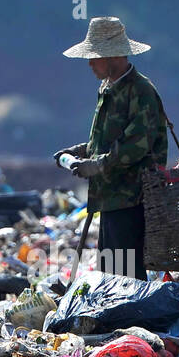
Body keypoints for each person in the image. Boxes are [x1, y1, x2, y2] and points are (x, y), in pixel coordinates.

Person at [54, 17, 168, 281]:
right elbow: (107, 140)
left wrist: (97, 165)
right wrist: (80, 152)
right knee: (109, 270)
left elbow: (136, 145)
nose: (90, 63)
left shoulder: (140, 91)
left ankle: (133, 320)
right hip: (109, 195)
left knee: (126, 272)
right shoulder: (108, 88)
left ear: (114, 56)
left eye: (95, 57)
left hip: (132, 196)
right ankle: (117, 320)